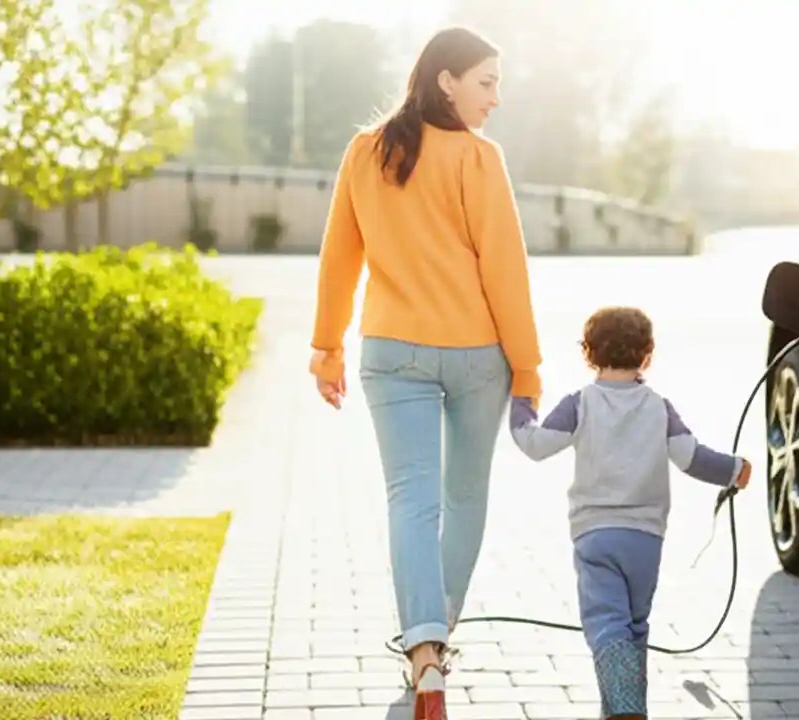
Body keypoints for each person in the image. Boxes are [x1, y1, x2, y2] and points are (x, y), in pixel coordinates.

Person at [308, 26, 541, 720]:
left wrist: (326, 348)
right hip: (477, 355)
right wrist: (527, 367)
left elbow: (338, 258)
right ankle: (438, 639)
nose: (496, 98)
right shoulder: (478, 158)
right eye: (487, 82)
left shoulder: (363, 150)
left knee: (411, 500)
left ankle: (424, 655)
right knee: (465, 499)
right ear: (447, 79)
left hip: (392, 351)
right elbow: (505, 267)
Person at [508, 306, 751, 720]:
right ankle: (620, 709)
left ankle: (625, 711)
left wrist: (521, 401)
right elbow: (692, 458)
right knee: (634, 626)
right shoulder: (659, 407)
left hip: (595, 535)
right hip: (645, 539)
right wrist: (735, 470)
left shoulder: (579, 403)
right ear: (647, 354)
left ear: (588, 354)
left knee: (606, 623)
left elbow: (534, 445)